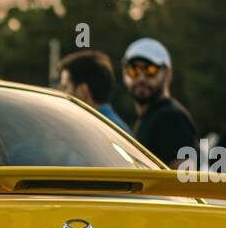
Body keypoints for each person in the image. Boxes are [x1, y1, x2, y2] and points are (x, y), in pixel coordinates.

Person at [121, 38, 197, 168]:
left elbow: (183, 181)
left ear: (167, 73)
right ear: (124, 74)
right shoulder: (150, 118)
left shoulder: (171, 118)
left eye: (150, 70)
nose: (141, 78)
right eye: (133, 69)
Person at [58, 50, 131, 133]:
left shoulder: (93, 133)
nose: (61, 93)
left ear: (83, 91)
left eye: (65, 87)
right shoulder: (118, 131)